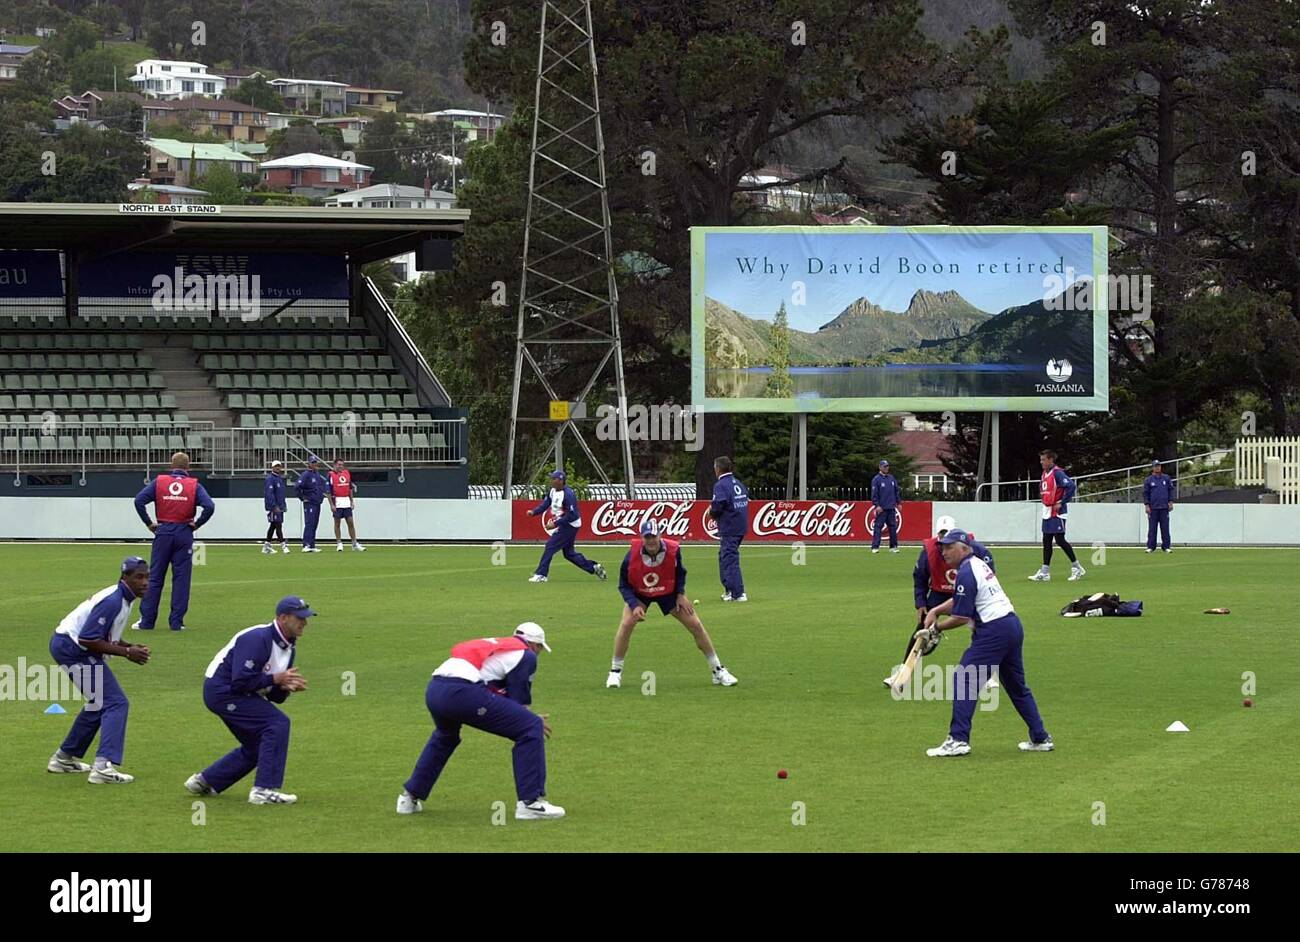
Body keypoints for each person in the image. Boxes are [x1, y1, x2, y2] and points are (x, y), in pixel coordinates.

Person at [398, 623, 565, 820]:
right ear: (535, 644)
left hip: (435, 689)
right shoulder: (527, 655)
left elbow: (491, 686)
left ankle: (408, 799)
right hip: (462, 691)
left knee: (445, 737)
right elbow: (518, 702)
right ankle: (530, 804)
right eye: (540, 649)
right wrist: (530, 718)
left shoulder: (499, 647)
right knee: (531, 727)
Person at [921, 529, 1053, 757]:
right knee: (1016, 686)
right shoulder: (977, 565)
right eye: (942, 547)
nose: (944, 552)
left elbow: (961, 617)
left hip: (994, 630)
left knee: (964, 677)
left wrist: (936, 628)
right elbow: (963, 598)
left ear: (964, 548)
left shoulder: (966, 571)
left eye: (950, 547)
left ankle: (958, 739)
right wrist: (936, 610)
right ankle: (1040, 737)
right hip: (1011, 625)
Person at [185, 596, 313, 805]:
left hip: (237, 692)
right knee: (278, 723)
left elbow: (274, 697)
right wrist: (275, 679)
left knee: (258, 745)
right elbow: (240, 682)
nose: (305, 623)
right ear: (283, 618)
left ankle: (205, 781)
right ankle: (263, 790)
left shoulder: (289, 648)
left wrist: (285, 687)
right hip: (222, 691)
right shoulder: (257, 638)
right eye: (300, 618)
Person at [47, 557, 152, 784]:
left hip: (69, 644)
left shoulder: (124, 597)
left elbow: (104, 634)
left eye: (147, 577)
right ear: (125, 577)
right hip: (72, 648)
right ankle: (103, 768)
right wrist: (127, 653)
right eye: (139, 577)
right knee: (116, 702)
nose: (145, 582)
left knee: (99, 702)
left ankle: (63, 759)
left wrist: (128, 646)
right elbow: (87, 638)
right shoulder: (113, 601)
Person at [606, 520, 738, 689]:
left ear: (659, 536)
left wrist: (681, 594)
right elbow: (623, 585)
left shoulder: (673, 550)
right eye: (647, 537)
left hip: (668, 592)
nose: (651, 541)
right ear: (642, 538)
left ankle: (717, 670)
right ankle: (615, 671)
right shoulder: (631, 556)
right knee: (626, 624)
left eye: (653, 536)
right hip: (640, 592)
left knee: (696, 625)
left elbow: (680, 573)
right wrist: (634, 605)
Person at [884, 515, 997, 688]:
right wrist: (921, 603)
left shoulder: (975, 549)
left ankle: (986, 674)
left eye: (948, 535)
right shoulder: (929, 551)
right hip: (939, 593)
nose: (945, 541)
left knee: (981, 628)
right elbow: (920, 577)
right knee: (922, 628)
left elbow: (989, 573)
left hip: (970, 591)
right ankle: (904, 671)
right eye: (941, 535)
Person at [132, 451, 215, 631]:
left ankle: (147, 621)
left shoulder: (159, 482)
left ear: (171, 466)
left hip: (163, 531)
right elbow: (209, 506)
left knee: (155, 577)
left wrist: (149, 523)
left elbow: (139, 501)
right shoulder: (194, 485)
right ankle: (176, 622)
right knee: (181, 579)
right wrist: (197, 524)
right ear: (188, 466)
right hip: (184, 532)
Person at [525, 469, 606, 583]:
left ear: (561, 481)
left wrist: (555, 524)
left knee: (550, 546)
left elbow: (572, 515)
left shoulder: (568, 494)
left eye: (554, 478)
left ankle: (541, 574)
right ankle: (593, 568)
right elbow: (546, 504)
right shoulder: (552, 491)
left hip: (570, 525)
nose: (551, 480)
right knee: (569, 554)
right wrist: (534, 512)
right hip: (565, 524)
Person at [1029, 449, 1085, 582]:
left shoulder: (1057, 473)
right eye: (1041, 459)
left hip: (1057, 513)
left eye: (1044, 459)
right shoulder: (1045, 473)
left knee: (1059, 539)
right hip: (1047, 511)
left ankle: (1077, 567)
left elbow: (1070, 486)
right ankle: (1045, 572)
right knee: (1046, 540)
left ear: (1051, 460)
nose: (1041, 462)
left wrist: (1061, 502)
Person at [710, 456, 750, 602]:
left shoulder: (721, 485)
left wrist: (712, 513)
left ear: (718, 469)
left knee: (729, 558)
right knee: (724, 556)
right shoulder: (737, 483)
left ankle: (738, 593)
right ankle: (729, 590)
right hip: (740, 525)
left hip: (730, 527)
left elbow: (719, 504)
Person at [329, 458, 365, 552]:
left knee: (350, 522)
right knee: (337, 523)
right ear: (335, 465)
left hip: (346, 501)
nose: (340, 466)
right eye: (339, 464)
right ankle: (339, 543)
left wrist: (351, 501)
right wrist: (332, 504)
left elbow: (350, 489)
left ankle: (354, 543)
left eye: (342, 465)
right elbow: (328, 491)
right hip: (337, 501)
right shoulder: (331, 475)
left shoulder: (346, 473)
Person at [294, 456, 327, 552]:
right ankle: (306, 544)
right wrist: (302, 497)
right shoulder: (306, 474)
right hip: (310, 503)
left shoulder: (316, 474)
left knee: (314, 524)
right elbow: (297, 486)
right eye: (313, 462)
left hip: (317, 502)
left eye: (315, 462)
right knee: (309, 523)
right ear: (309, 464)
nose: (314, 464)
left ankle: (312, 544)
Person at [870, 459, 902, 554]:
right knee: (878, 527)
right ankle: (875, 547)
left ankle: (893, 546)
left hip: (891, 508)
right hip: (882, 508)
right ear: (880, 467)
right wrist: (877, 505)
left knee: (892, 528)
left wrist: (899, 503)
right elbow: (874, 494)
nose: (886, 468)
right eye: (884, 466)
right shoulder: (876, 479)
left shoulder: (891, 478)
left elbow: (896, 491)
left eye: (887, 466)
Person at [1144, 460, 1176, 553]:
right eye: (1155, 466)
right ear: (1152, 467)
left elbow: (1170, 490)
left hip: (1164, 508)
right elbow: (1146, 493)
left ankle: (1166, 547)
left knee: (1165, 528)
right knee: (1152, 529)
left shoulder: (1166, 478)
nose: (1157, 467)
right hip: (1153, 508)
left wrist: (1170, 502)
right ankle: (1151, 547)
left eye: (1158, 466)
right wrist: (1147, 505)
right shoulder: (1149, 480)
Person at [262, 460, 288, 555]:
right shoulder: (270, 479)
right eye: (276, 466)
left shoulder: (279, 479)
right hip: (274, 507)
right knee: (278, 525)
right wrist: (274, 506)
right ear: (272, 467)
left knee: (273, 526)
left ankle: (266, 545)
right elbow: (269, 494)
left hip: (279, 506)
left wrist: (283, 505)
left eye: (279, 466)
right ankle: (283, 545)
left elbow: (281, 494)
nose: (278, 468)